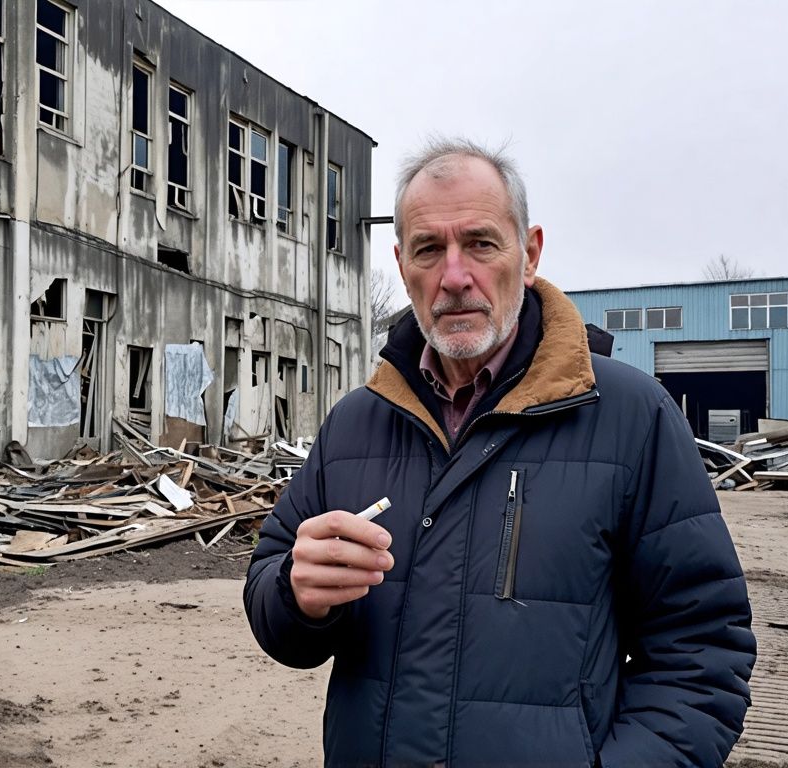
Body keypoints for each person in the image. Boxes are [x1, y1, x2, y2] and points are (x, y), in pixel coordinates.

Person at [244, 137, 756, 767]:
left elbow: (702, 650)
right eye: (429, 249)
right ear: (402, 265)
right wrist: (297, 594)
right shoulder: (355, 424)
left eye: (481, 244)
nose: (455, 277)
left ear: (530, 253)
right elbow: (271, 597)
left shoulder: (631, 417)